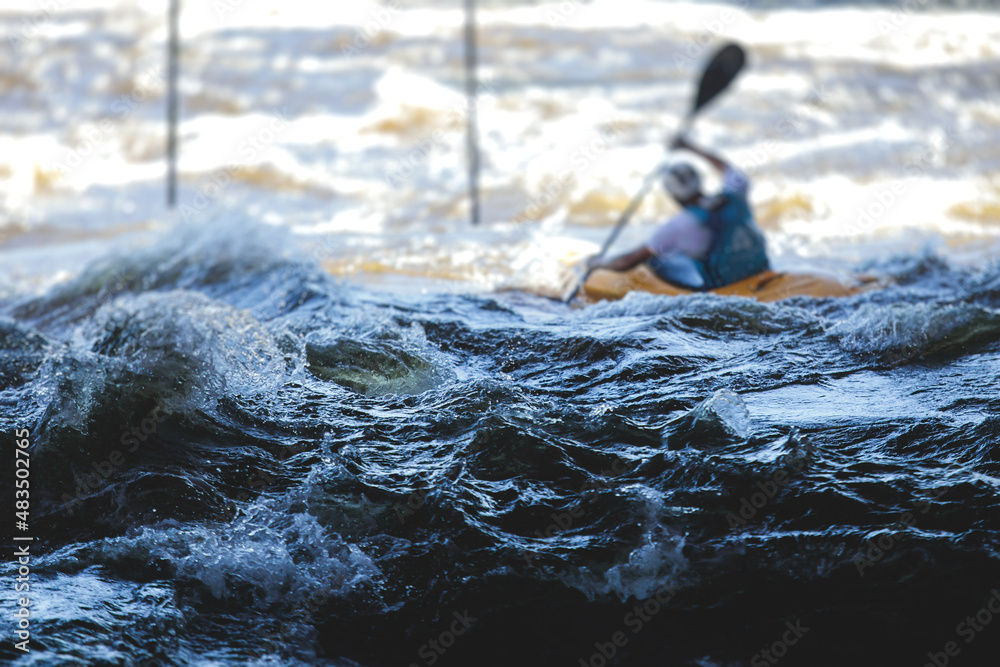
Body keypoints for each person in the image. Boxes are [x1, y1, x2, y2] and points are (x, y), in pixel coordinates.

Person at [586, 136, 769, 291]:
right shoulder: (734, 193)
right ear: (699, 181)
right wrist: (689, 147)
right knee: (674, 252)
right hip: (761, 271)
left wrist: (599, 264)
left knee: (655, 259)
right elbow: (725, 167)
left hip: (727, 286)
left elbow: (627, 262)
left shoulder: (679, 225)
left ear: (673, 195)